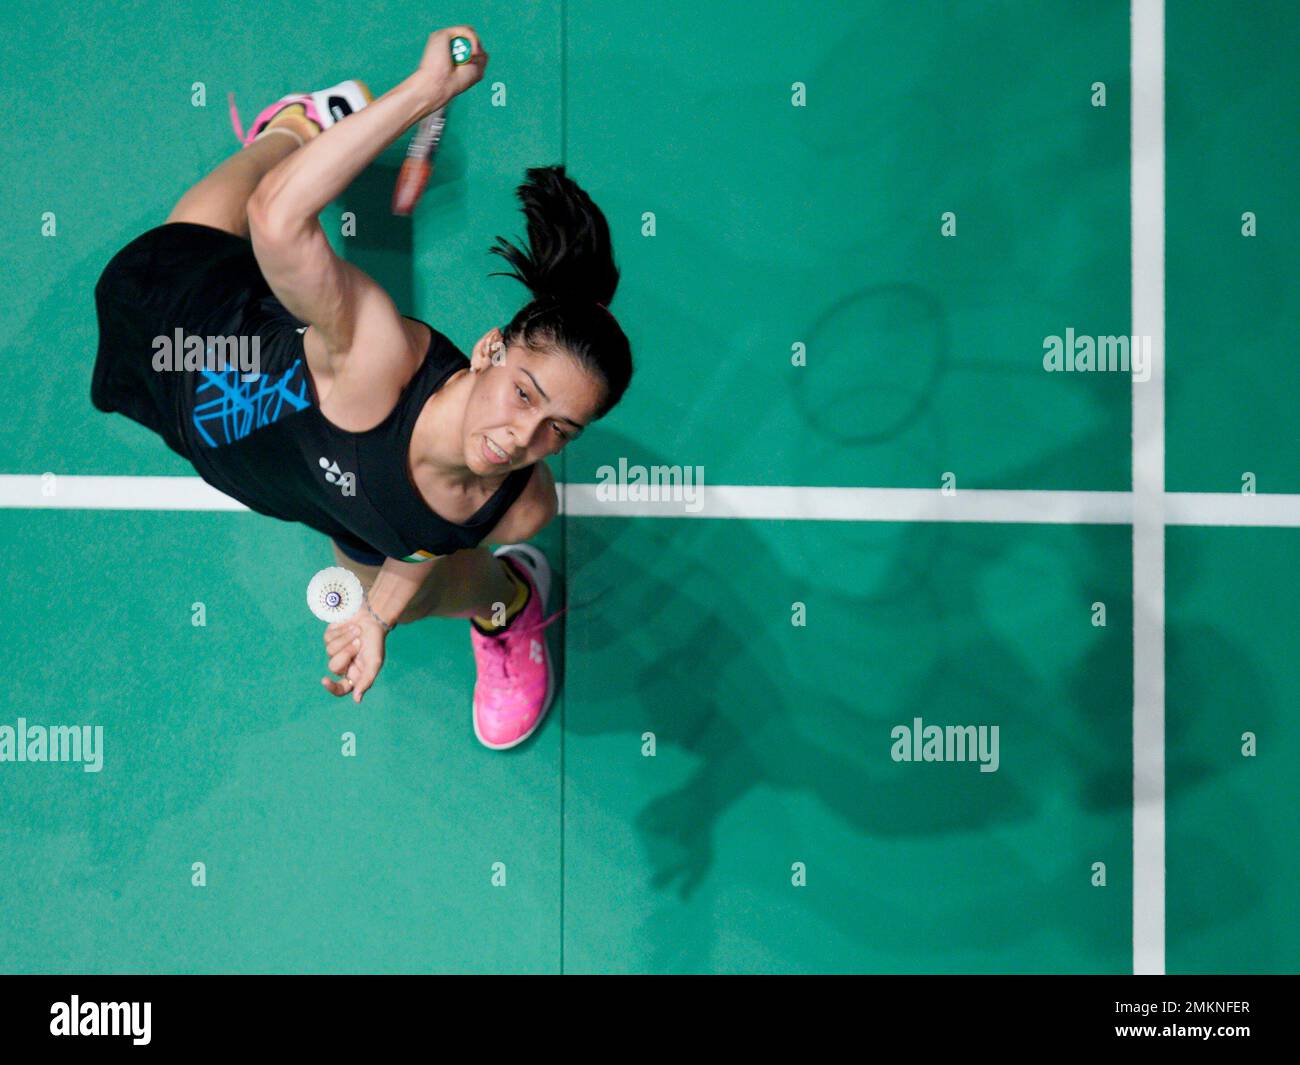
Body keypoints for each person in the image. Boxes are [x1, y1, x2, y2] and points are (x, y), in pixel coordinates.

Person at [89, 26, 633, 750]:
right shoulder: (379, 360)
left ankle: (508, 606)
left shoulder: (517, 501)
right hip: (217, 350)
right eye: (526, 394)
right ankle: (297, 126)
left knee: (407, 603)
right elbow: (277, 219)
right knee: (187, 244)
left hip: (298, 485)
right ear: (489, 349)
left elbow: (424, 543)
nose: (522, 440)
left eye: (561, 430)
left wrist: (375, 618)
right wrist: (426, 91)